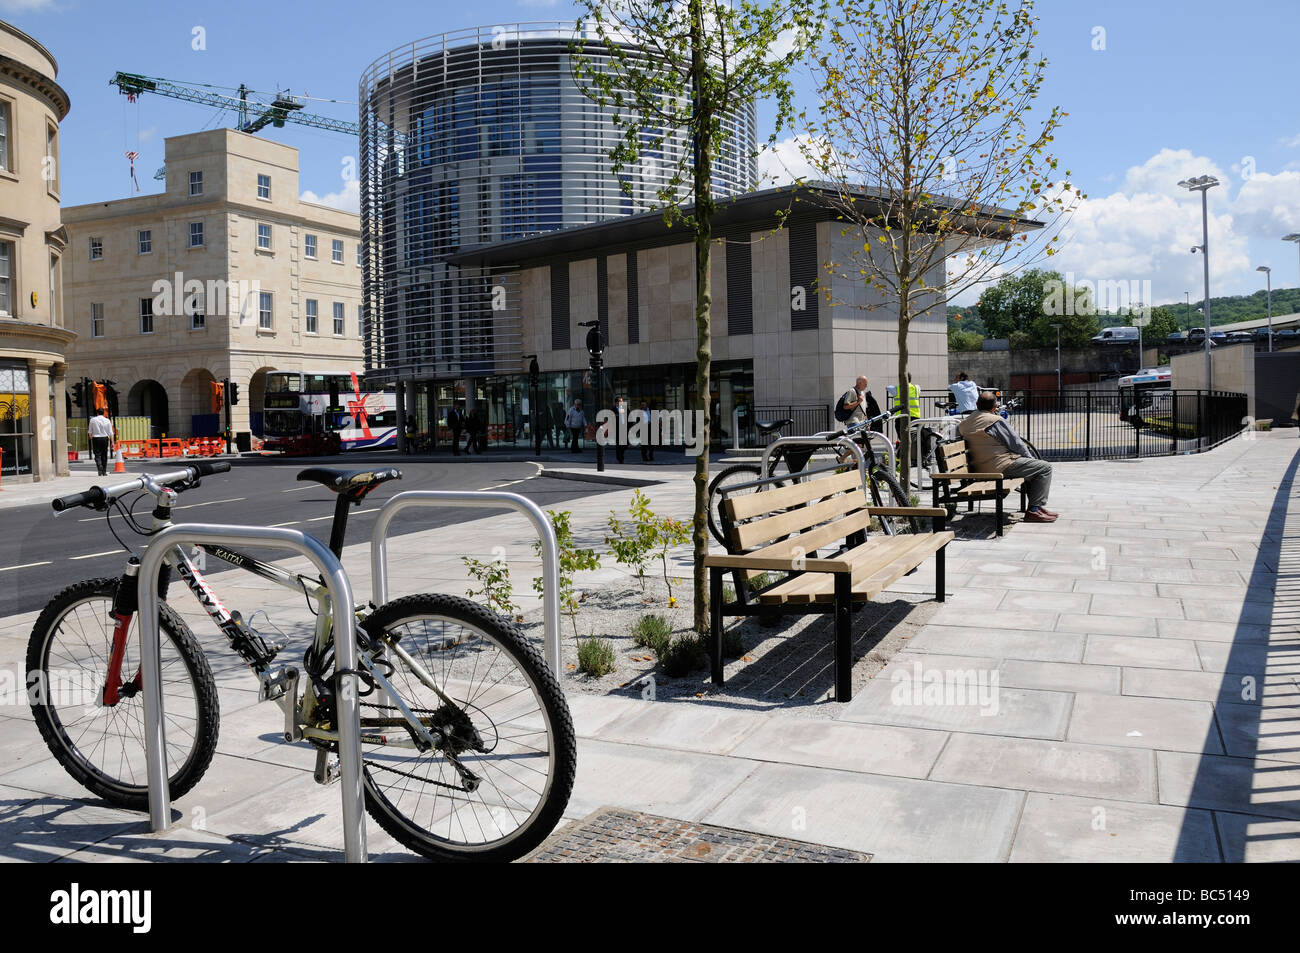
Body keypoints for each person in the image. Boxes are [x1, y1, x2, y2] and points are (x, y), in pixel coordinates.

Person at [958, 391, 1059, 523]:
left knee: (1032, 468)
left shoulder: (964, 423)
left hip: (979, 468)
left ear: (977, 404)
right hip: (1000, 467)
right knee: (1044, 468)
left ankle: (1036, 507)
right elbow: (1017, 444)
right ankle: (1034, 510)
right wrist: (1031, 460)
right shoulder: (995, 421)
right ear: (995, 407)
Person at [88, 409, 114, 476]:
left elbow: (90, 432)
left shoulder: (92, 420)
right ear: (104, 413)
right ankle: (104, 471)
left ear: (97, 413)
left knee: (97, 454)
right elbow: (110, 433)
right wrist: (112, 443)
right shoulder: (107, 420)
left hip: (96, 438)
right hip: (105, 438)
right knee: (104, 455)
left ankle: (99, 468)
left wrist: (92, 440)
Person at [613, 396, 628, 464]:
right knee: (619, 444)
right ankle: (620, 458)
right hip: (616, 429)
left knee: (625, 444)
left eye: (622, 401)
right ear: (616, 403)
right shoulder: (613, 410)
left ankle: (620, 455)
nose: (622, 402)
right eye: (620, 401)